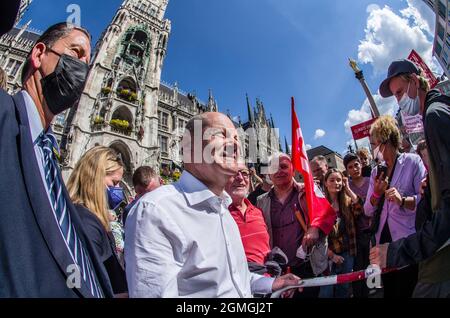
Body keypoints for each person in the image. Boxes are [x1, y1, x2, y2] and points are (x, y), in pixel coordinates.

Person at [125, 112, 301, 298]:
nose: (235, 144)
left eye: (236, 138)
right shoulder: (156, 210)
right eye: (220, 134)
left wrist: (271, 283)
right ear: (188, 147)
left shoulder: (223, 210)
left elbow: (235, 279)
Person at [0, 22, 113, 297]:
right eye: (76, 54)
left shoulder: (51, 165)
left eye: (89, 62)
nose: (83, 70)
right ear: (39, 55)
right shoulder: (4, 118)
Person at [371, 59, 450, 297]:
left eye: (400, 92)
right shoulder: (437, 113)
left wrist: (398, 252)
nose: (399, 101)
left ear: (415, 81)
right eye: (395, 96)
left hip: (437, 256)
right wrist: (432, 187)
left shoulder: (435, 116)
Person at [257, 153, 336, 298]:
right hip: (277, 270)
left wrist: (315, 227)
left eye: (284, 166)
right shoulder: (261, 201)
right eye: (274, 167)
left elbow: (329, 215)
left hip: (307, 268)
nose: (279, 171)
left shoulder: (309, 191)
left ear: (293, 169)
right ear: (269, 173)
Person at [364, 115, 426, 297]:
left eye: (374, 144)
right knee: (391, 290)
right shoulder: (376, 171)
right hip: (382, 240)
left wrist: (402, 200)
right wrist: (376, 192)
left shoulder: (412, 162)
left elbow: (424, 200)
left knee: (411, 286)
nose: (373, 149)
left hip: (407, 240)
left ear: (385, 141)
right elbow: (368, 210)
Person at [67, 146, 128, 297]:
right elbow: (76, 285)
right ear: (95, 177)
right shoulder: (86, 222)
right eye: (114, 183)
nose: (118, 189)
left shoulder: (86, 216)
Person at [319, 169, 361, 298]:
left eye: (339, 180)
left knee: (344, 288)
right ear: (325, 183)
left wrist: (347, 188)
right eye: (332, 180)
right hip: (328, 255)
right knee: (327, 290)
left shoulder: (347, 202)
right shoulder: (321, 204)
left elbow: (359, 208)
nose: (336, 183)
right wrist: (332, 255)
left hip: (348, 252)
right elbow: (319, 236)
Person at [225, 164, 272, 273]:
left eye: (245, 173)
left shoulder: (258, 211)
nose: (240, 178)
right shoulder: (217, 214)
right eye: (233, 173)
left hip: (269, 283)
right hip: (240, 285)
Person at [343, 153, 371, 298]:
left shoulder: (370, 181)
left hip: (374, 230)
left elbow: (372, 206)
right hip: (358, 235)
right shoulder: (347, 187)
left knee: (377, 267)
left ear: (361, 164)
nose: (354, 169)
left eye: (356, 164)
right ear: (346, 170)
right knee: (360, 269)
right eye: (350, 167)